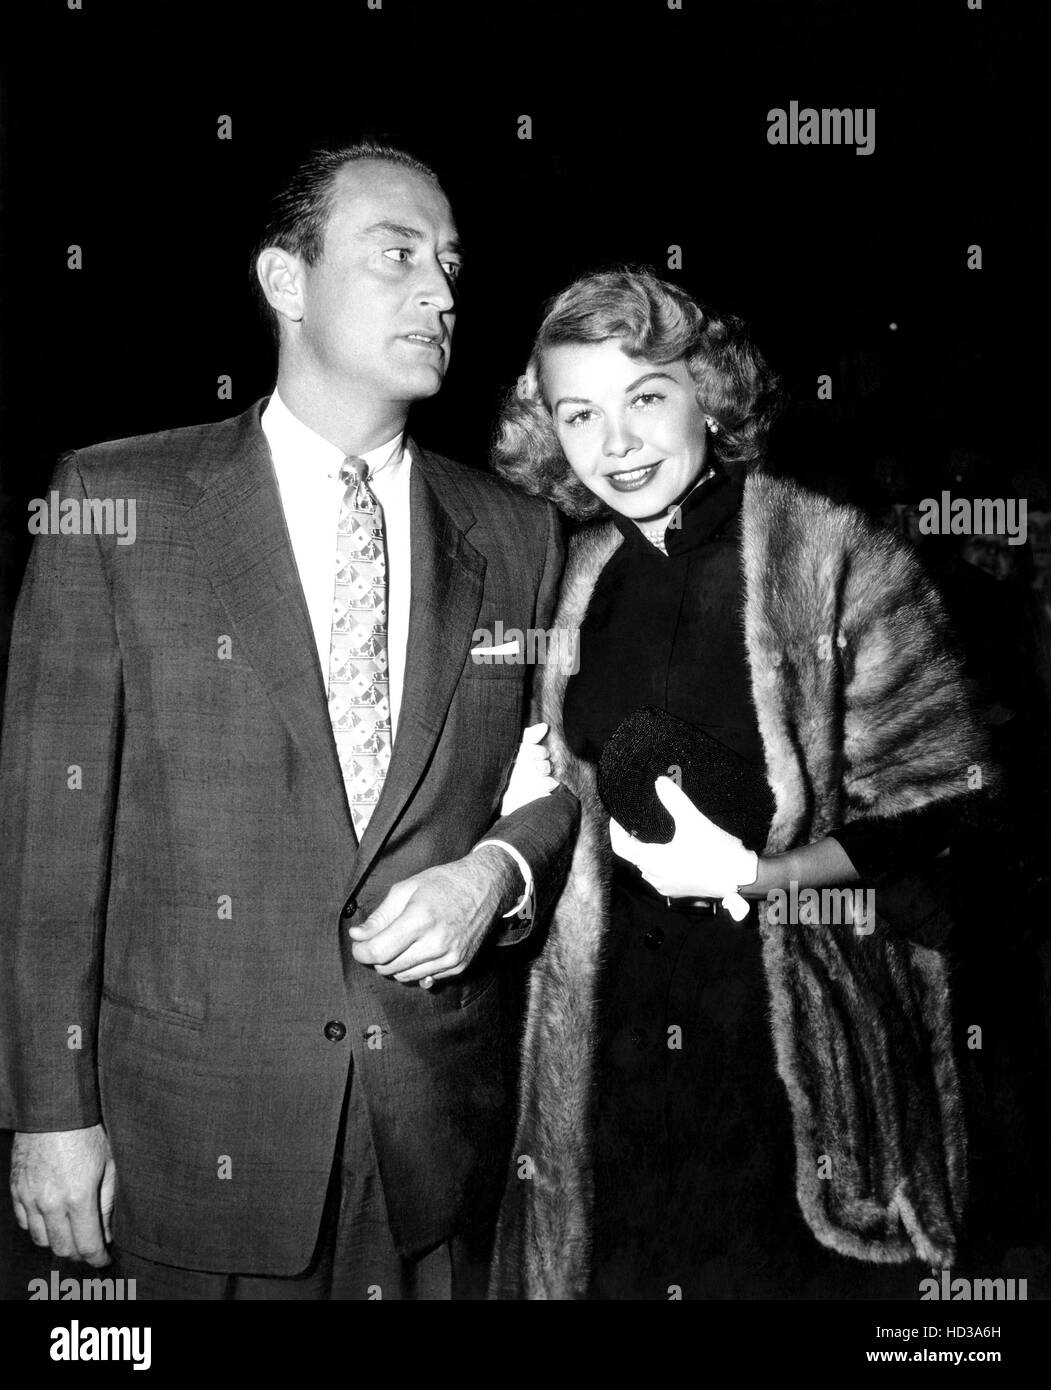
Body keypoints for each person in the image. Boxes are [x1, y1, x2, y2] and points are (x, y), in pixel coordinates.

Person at [0, 142, 577, 1300]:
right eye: (398, 256)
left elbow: (555, 768)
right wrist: (51, 1114)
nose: (443, 292)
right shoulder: (118, 503)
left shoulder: (516, 532)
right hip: (187, 1139)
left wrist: (497, 873)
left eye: (451, 265)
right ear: (285, 282)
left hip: (428, 1142)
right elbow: (48, 843)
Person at [486, 268, 991, 1300]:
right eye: (579, 413)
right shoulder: (573, 577)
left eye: (645, 398)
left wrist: (762, 873)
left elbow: (951, 809)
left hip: (785, 1055)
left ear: (708, 394)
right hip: (611, 1052)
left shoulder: (833, 556)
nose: (615, 445)